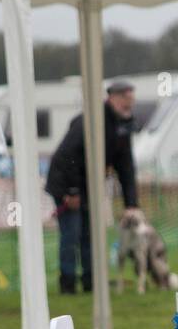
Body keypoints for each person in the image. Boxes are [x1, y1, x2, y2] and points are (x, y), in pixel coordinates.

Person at [46, 79, 140, 294]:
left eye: (131, 100)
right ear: (112, 98)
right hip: (66, 183)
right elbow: (69, 155)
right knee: (71, 233)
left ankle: (90, 281)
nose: (129, 104)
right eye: (125, 99)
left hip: (89, 185)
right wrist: (71, 192)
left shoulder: (123, 126)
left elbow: (126, 167)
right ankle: (68, 283)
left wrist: (131, 203)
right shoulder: (91, 120)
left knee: (90, 233)